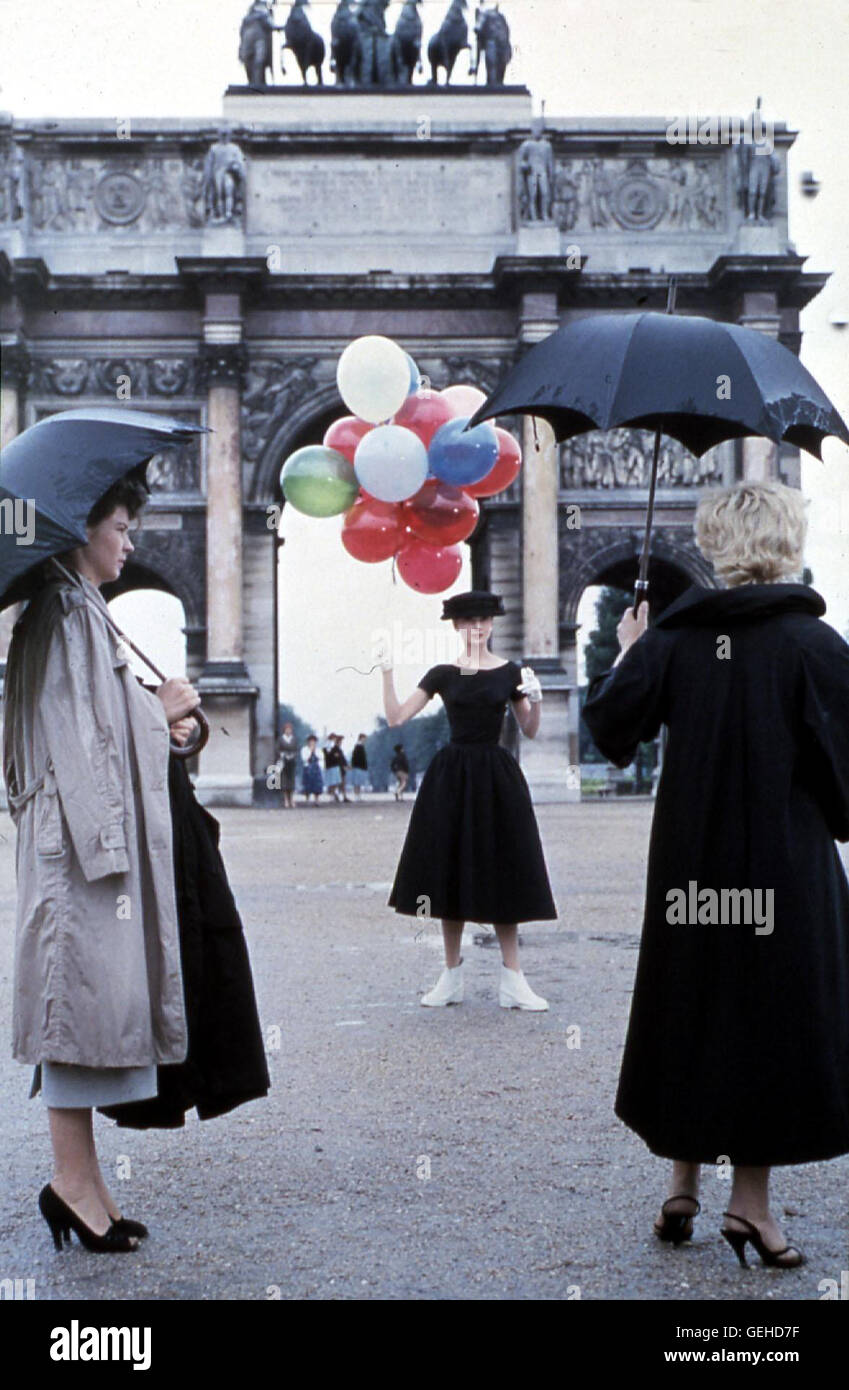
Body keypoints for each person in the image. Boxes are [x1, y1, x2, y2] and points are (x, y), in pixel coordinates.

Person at [582, 480, 849, 1268]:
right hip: (783, 864)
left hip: (691, 864)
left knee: (691, 1001)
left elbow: (609, 730)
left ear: (713, 547)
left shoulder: (673, 638)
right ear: (786, 543)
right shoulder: (813, 645)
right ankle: (750, 1209)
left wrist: (632, 648)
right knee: (770, 1017)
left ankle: (680, 1188)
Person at [3, 475, 200, 1253]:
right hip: (82, 850)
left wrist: (163, 721)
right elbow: (78, 744)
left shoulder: (76, 610)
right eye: (119, 526)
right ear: (81, 530)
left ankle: (86, 1185)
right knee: (74, 1007)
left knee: (86, 1008)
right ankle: (70, 1185)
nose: (128, 540)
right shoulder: (62, 613)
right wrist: (163, 712)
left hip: (85, 843)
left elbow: (100, 729)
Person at [381, 590, 556, 1010]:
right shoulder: (442, 673)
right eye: (468, 622)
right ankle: (450, 975)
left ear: (492, 624)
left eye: (483, 621)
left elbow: (528, 730)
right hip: (454, 774)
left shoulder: (509, 672)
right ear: (457, 627)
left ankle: (513, 979)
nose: (477, 628)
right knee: (450, 868)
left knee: (504, 865)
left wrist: (536, 700)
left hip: (495, 774)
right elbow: (396, 718)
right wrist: (386, 672)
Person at [277, 721, 298, 808]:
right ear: (284, 730)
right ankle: (286, 800)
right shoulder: (281, 739)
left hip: (292, 761)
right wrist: (282, 754)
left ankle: (291, 799)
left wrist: (293, 755)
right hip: (283, 761)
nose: (288, 731)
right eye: (287, 729)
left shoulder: (294, 739)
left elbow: (297, 749)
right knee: (284, 780)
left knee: (291, 780)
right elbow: (277, 749)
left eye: (290, 729)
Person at [323, 733, 348, 803]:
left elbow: (339, 757)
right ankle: (334, 796)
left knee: (337, 783)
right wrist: (334, 756)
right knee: (333, 783)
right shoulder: (329, 747)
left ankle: (338, 796)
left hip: (337, 767)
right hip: (332, 766)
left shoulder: (336, 748)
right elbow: (331, 757)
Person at [301, 733, 323, 804]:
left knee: (317, 784)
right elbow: (304, 758)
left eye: (314, 741)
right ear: (308, 742)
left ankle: (316, 799)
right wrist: (310, 751)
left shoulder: (318, 749)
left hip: (316, 768)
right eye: (311, 741)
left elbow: (321, 757)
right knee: (307, 783)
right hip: (308, 768)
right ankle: (307, 799)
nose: (312, 742)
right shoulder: (304, 749)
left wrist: (314, 751)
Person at [349, 733, 369, 800]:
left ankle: (358, 795)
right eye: (364, 738)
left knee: (359, 782)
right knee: (357, 782)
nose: (365, 740)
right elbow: (355, 757)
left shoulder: (361, 746)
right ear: (361, 738)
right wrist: (354, 765)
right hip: (358, 767)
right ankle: (356, 796)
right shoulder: (358, 746)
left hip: (360, 767)